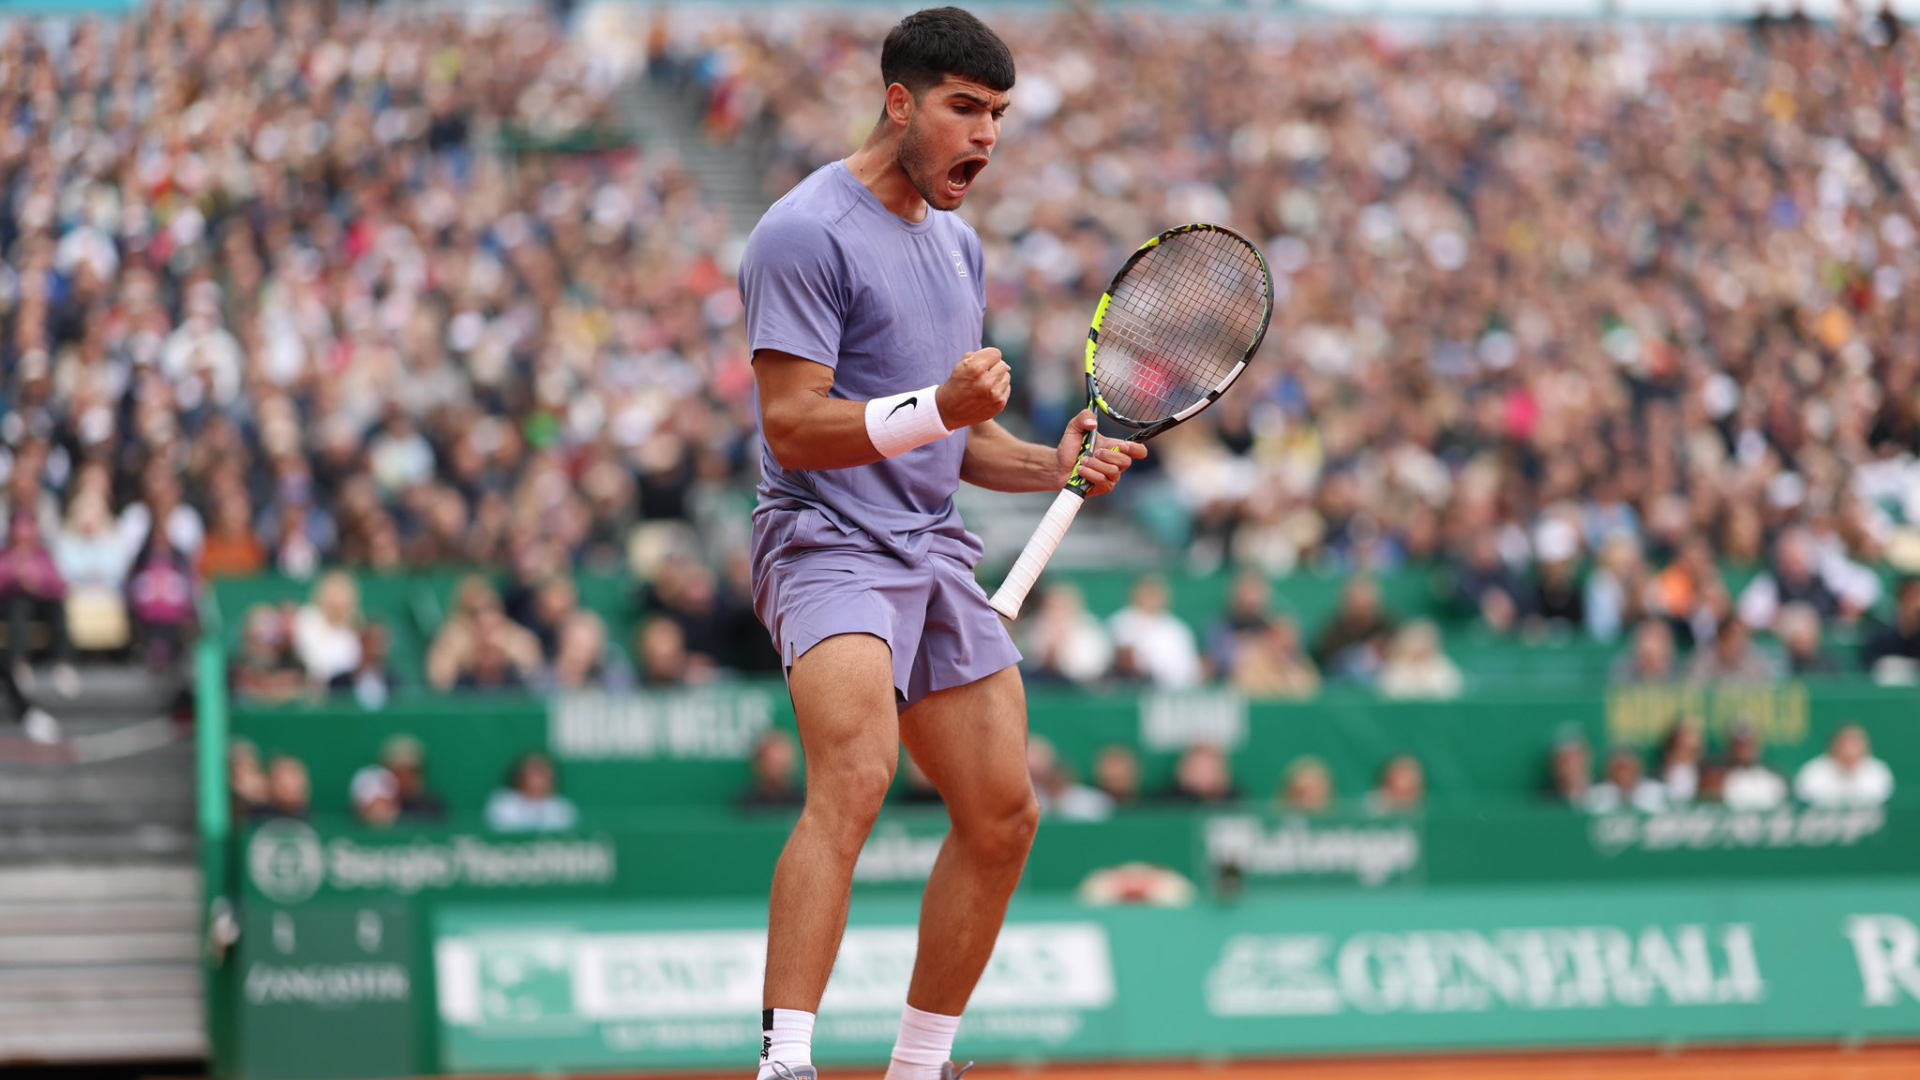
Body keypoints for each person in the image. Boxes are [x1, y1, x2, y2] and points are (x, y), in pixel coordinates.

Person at [736, 11, 1146, 1079]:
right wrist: (935, 405)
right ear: (901, 102)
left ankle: (920, 1067)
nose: (987, 136)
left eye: (1000, 115)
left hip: (931, 548)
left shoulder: (959, 246)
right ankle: (786, 1065)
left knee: (1005, 815)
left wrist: (1053, 465)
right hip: (825, 541)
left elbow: (962, 442)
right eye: (966, 108)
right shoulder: (801, 232)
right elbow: (794, 424)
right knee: (859, 775)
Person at [1794, 724, 1895, 809]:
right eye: (1845, 745)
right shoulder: (1813, 772)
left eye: (1855, 744)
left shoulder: (1878, 771)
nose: (1849, 751)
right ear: (1834, 746)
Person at [485, 752, 579, 833]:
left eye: (542, 772)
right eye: (535, 771)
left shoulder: (563, 809)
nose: (539, 778)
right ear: (520, 775)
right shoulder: (503, 805)